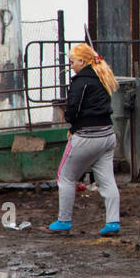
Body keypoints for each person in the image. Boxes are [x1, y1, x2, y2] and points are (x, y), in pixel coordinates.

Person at [50, 44, 120, 236]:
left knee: (65, 176)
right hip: (107, 135)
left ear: (82, 61)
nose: (71, 66)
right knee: (107, 181)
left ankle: (64, 221)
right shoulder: (103, 76)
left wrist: (71, 125)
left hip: (86, 136)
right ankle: (113, 222)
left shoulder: (81, 82)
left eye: (72, 62)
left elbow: (73, 109)